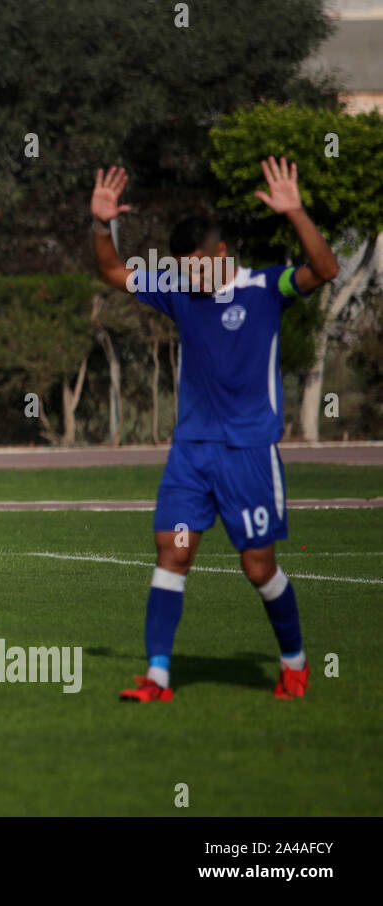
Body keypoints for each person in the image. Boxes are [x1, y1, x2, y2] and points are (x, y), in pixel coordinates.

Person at [88, 157, 339, 701]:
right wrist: (100, 224)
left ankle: (294, 661)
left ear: (221, 254)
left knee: (258, 568)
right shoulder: (178, 290)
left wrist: (296, 213)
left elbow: (325, 270)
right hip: (191, 455)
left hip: (248, 453)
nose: (188, 275)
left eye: (196, 265)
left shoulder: (267, 287)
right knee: (173, 552)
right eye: (181, 267)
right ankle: (157, 676)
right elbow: (112, 272)